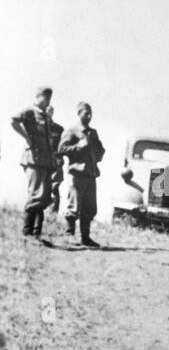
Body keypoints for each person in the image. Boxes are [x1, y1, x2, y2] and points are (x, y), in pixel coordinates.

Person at [10, 87, 59, 238]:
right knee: (35, 194)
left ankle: (36, 232)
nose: (48, 102)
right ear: (38, 97)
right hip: (33, 158)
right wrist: (27, 138)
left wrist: (49, 118)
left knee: (44, 195)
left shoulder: (44, 115)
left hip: (45, 161)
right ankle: (27, 232)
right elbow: (13, 120)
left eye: (49, 99)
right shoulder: (29, 110)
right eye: (46, 99)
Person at [57, 102, 105, 246]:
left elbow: (101, 149)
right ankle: (69, 235)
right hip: (77, 174)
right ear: (79, 113)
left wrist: (97, 155)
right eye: (86, 113)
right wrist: (79, 147)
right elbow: (61, 149)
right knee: (74, 205)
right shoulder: (71, 131)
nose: (89, 116)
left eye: (90, 113)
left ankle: (86, 238)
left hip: (91, 173)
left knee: (89, 207)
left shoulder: (93, 132)